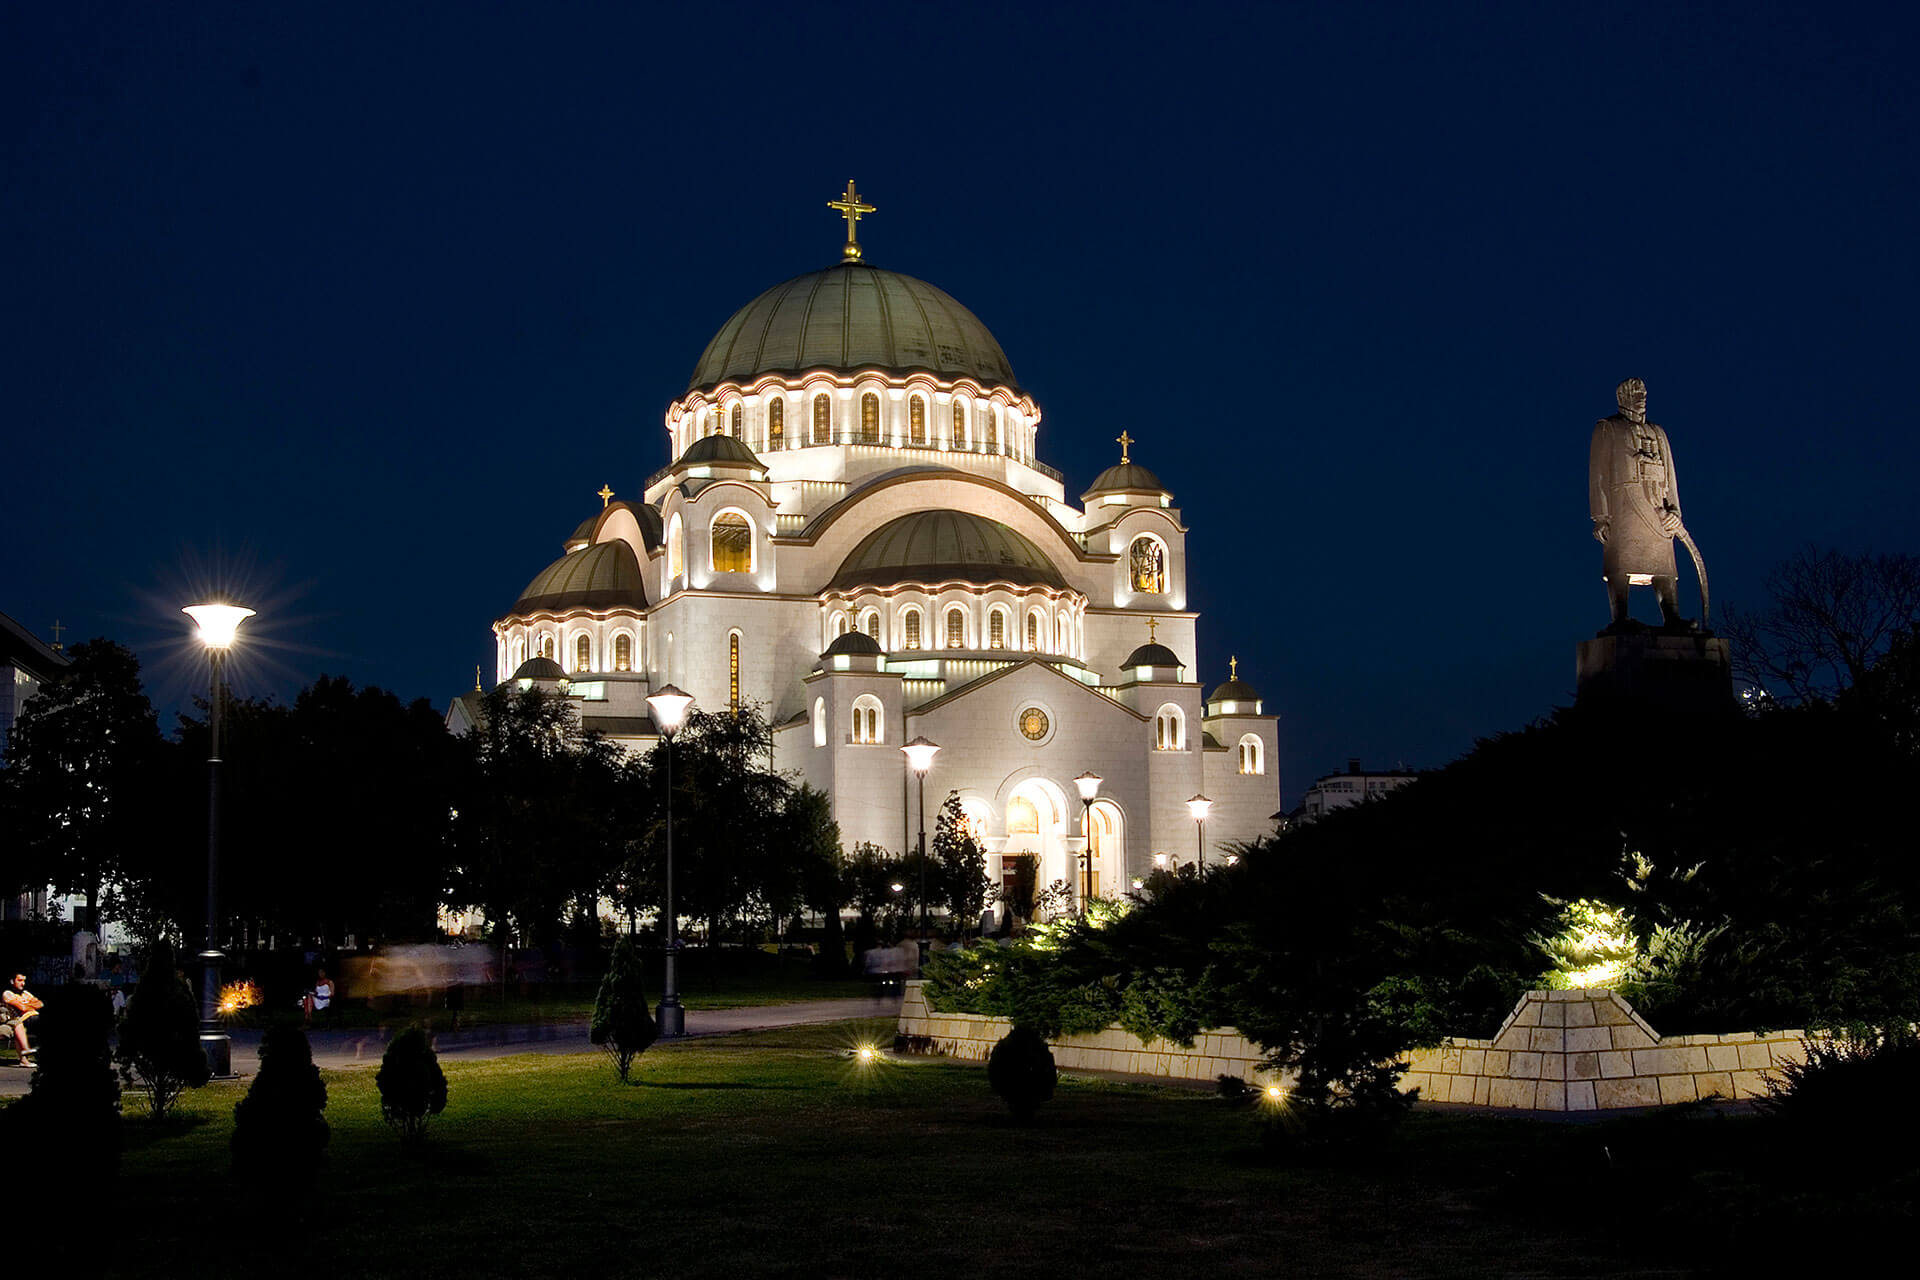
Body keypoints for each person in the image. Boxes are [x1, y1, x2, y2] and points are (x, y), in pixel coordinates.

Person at [1589, 377, 1692, 631]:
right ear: (1622, 396)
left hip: (1657, 505)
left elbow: (1671, 477)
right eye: (1635, 392)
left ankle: (1672, 618)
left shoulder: (1658, 432)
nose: (1641, 396)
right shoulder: (1609, 428)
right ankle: (1620, 618)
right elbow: (1598, 475)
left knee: (1664, 564)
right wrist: (1601, 516)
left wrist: (1675, 513)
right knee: (1621, 563)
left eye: (1643, 391)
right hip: (1624, 506)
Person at [2, 973, 41, 1065]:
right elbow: (22, 1008)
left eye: (24, 981)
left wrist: (26, 1005)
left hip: (35, 1018)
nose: (23, 983)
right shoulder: (8, 994)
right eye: (20, 980)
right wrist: (30, 1005)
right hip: (24, 1019)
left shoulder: (26, 993)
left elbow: (39, 1004)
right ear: (12, 981)